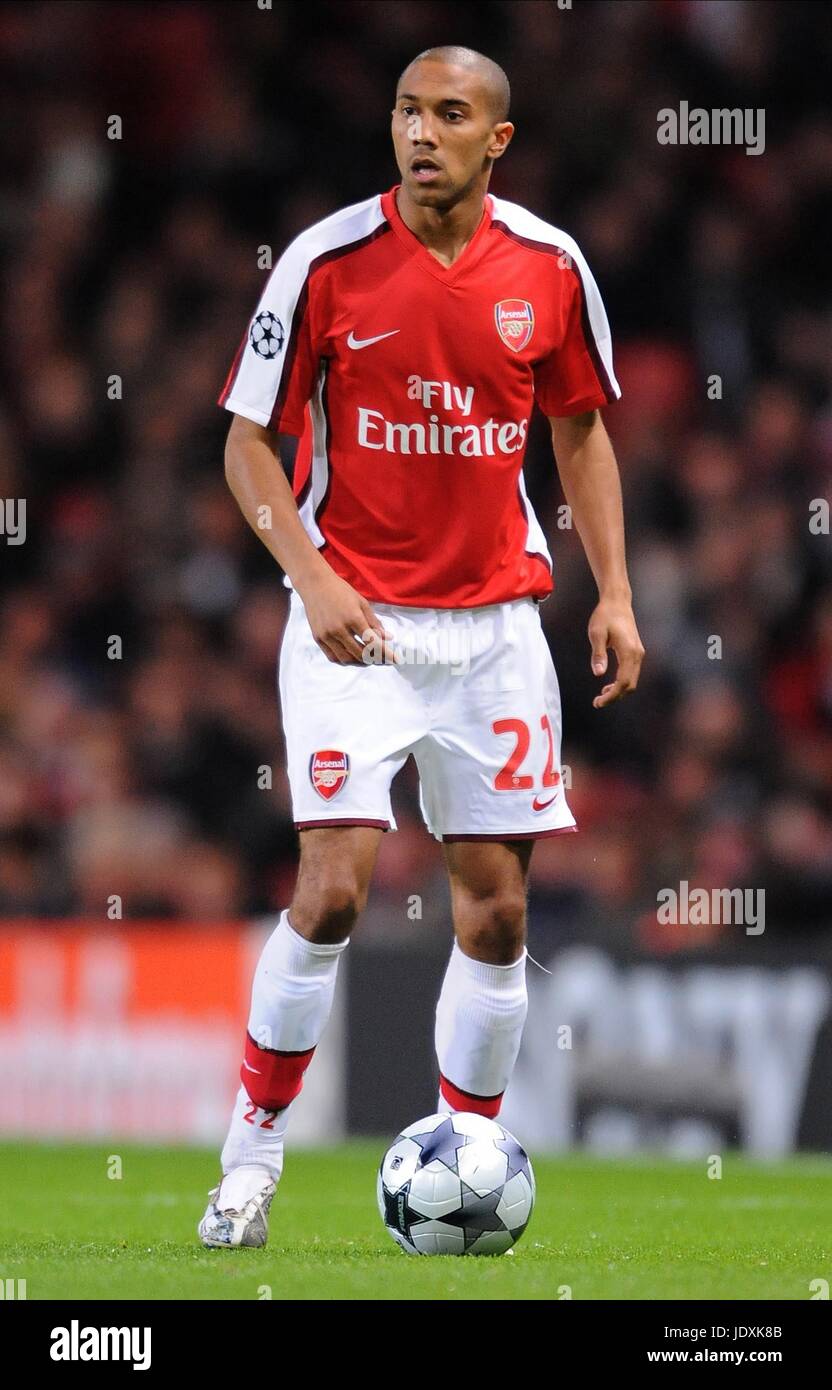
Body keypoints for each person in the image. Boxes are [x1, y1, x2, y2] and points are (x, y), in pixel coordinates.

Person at [199, 44, 644, 1248]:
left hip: (496, 628)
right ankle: (251, 1148)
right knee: (334, 888)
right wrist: (313, 577)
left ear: (496, 139)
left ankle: (469, 1153)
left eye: (450, 114)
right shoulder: (326, 261)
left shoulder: (548, 268)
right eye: (407, 109)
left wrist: (613, 593)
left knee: (496, 918)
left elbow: (582, 432)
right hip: (355, 627)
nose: (421, 130)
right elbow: (246, 445)